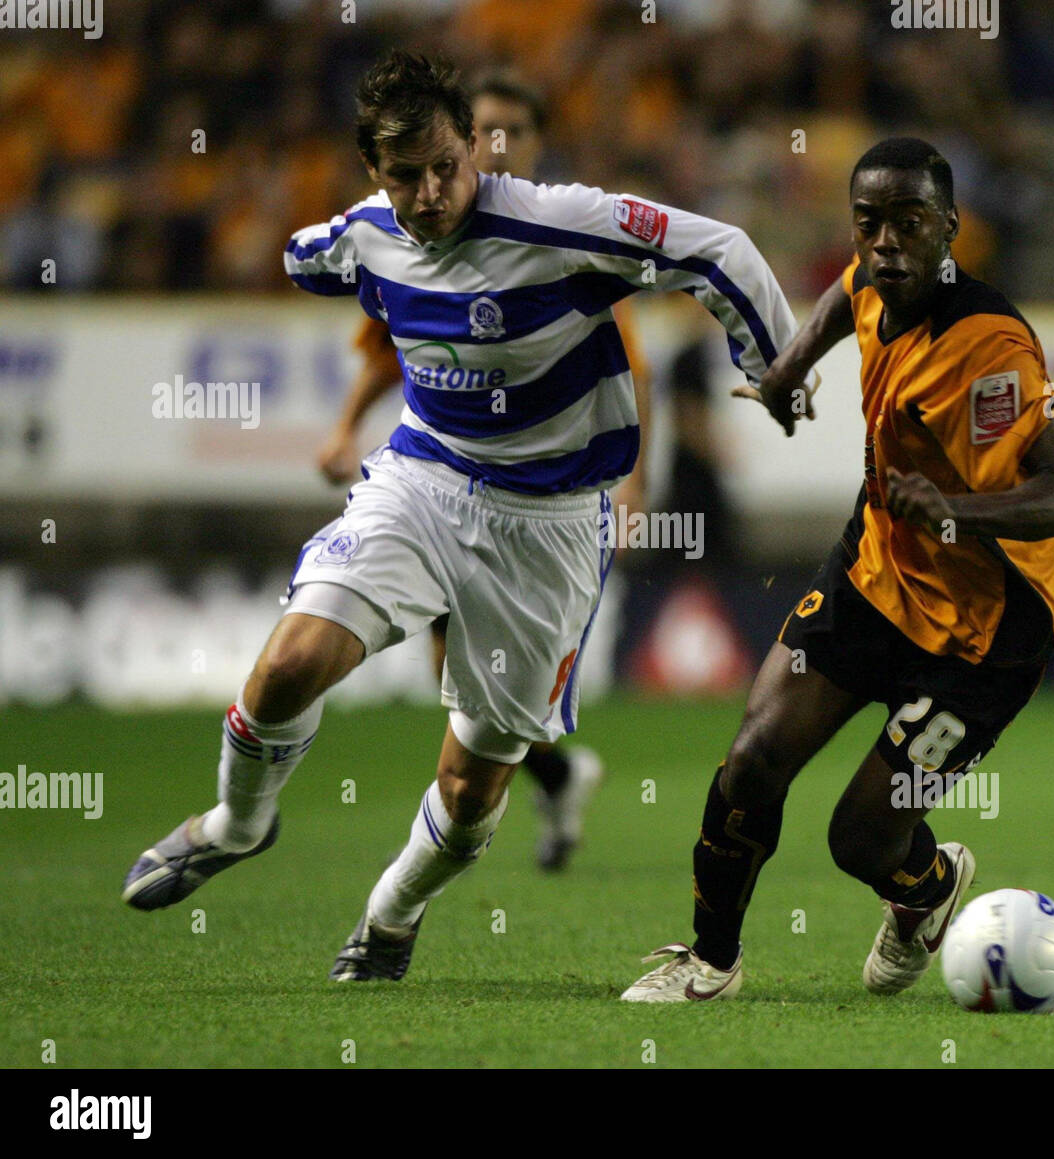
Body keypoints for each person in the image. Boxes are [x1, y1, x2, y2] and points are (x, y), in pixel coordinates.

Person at [121, 51, 812, 985]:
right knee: (288, 662)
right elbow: (309, 255)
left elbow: (718, 248)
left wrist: (776, 363)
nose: (431, 190)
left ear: (473, 149)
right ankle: (237, 823)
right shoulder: (370, 233)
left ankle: (390, 912)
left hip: (552, 525)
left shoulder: (557, 221)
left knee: (472, 783)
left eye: (448, 165)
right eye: (405, 175)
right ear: (375, 170)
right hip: (424, 482)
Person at [621, 137, 1054, 1003]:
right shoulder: (877, 279)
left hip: (986, 634)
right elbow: (845, 300)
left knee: (861, 837)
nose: (885, 243)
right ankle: (710, 963)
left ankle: (924, 888)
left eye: (909, 223)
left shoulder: (988, 351)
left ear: (950, 230)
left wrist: (960, 511)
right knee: (754, 760)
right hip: (876, 572)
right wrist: (786, 371)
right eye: (869, 223)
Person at [313, 69, 653, 872]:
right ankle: (546, 778)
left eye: (511, 133)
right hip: (451, 479)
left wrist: (632, 491)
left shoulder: (569, 243)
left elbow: (633, 377)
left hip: (547, 501)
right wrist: (344, 428)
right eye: (487, 128)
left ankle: (535, 776)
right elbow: (394, 352)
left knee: (483, 679)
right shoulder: (420, 244)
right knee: (453, 669)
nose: (495, 146)